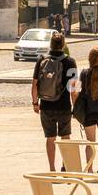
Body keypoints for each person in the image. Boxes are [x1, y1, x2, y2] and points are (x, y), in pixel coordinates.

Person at [31, 31, 78, 169]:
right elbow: (73, 87)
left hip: (46, 105)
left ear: (50, 45)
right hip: (63, 105)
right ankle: (66, 165)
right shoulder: (70, 61)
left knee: (50, 138)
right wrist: (76, 106)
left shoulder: (41, 61)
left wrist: (35, 103)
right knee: (65, 136)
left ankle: (52, 168)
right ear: (63, 45)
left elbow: (34, 84)